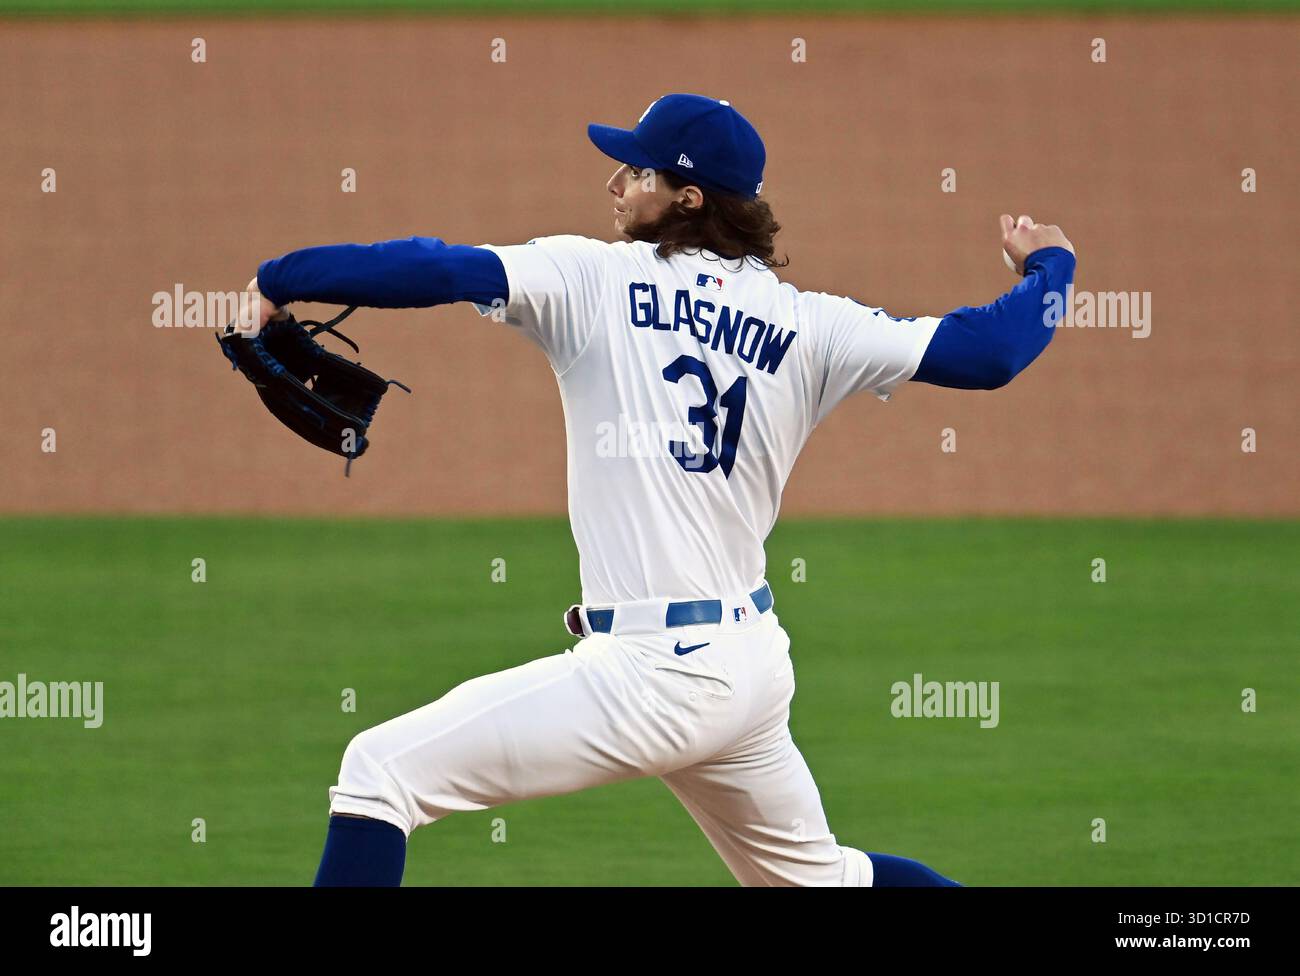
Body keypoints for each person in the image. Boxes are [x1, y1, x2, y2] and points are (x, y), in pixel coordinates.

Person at [240, 93, 1075, 886]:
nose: (615, 183)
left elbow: (435, 267)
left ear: (685, 198)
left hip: (654, 677)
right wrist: (1051, 264)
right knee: (823, 880)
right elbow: (989, 354)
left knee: (378, 773)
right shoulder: (813, 324)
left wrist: (283, 274)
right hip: (748, 665)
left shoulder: (590, 279)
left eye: (636, 172)